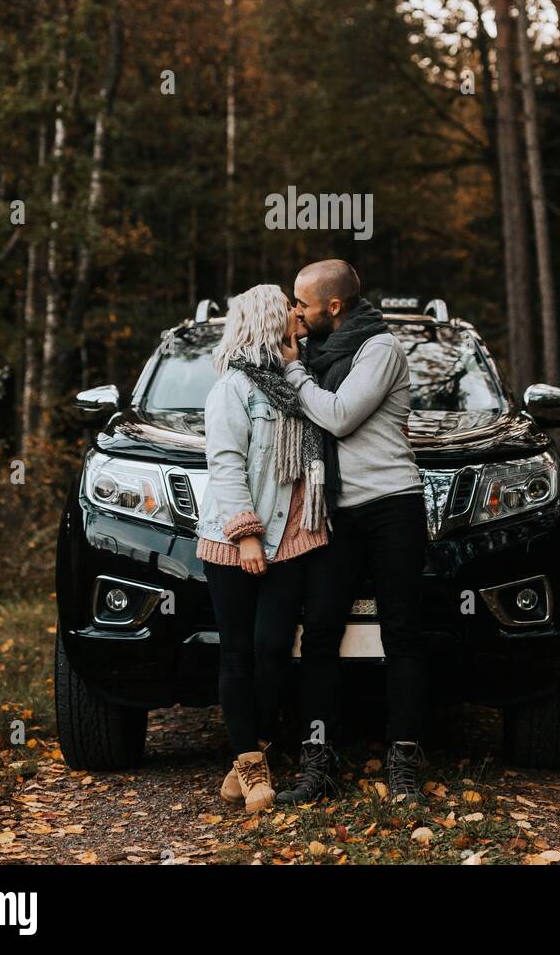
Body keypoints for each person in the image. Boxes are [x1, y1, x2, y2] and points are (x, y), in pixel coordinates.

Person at [275, 259, 429, 806]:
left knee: (403, 633)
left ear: (332, 306)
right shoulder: (313, 353)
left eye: (302, 302)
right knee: (319, 634)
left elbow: (339, 416)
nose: (296, 310)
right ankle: (317, 763)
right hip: (332, 510)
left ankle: (404, 761)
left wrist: (294, 373)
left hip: (391, 506)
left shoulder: (379, 350)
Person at [195, 283, 329, 813]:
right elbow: (225, 463)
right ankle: (252, 767)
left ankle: (248, 757)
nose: (300, 312)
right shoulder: (232, 389)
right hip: (237, 540)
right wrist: (246, 532)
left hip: (293, 540)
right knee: (237, 652)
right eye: (290, 307)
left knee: (274, 648)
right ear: (271, 319)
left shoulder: (296, 381)